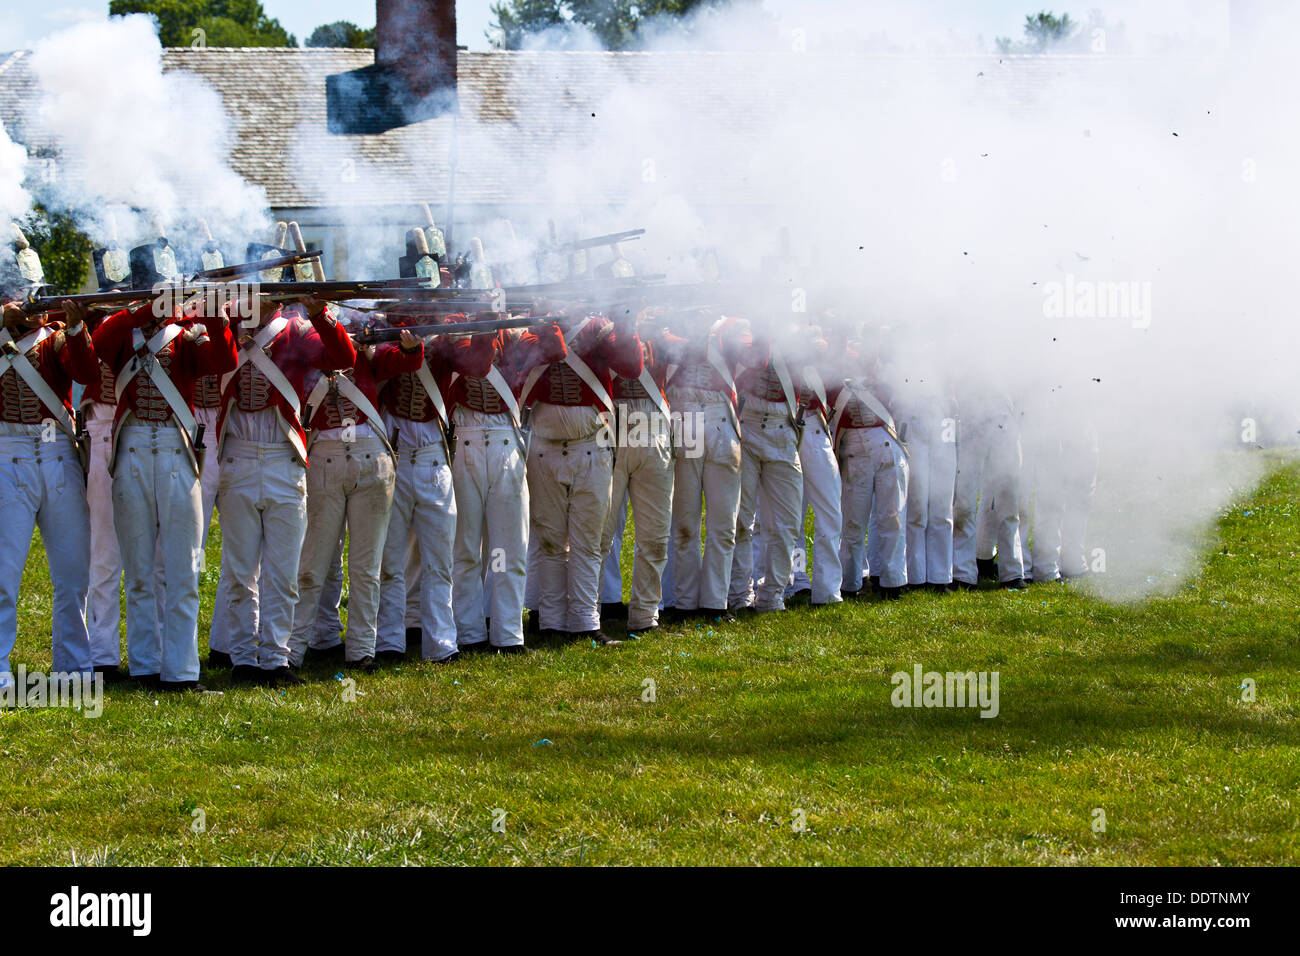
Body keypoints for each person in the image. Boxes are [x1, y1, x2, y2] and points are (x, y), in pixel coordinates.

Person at [90, 295, 237, 691]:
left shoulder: (185, 332)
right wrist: (144, 310)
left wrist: (211, 313)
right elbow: (99, 343)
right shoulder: (124, 328)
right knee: (138, 572)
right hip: (132, 446)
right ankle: (143, 666)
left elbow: (222, 362)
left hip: (176, 445)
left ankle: (182, 670)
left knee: (184, 569)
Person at [214, 294, 356, 684]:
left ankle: (276, 658)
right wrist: (218, 317)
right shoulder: (226, 329)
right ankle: (243, 659)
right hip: (237, 458)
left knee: (283, 572)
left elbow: (342, 357)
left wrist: (319, 313)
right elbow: (215, 361)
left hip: (283, 458)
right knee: (240, 571)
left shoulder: (296, 332)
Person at [287, 320, 422, 672]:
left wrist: (409, 347)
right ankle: (290, 653)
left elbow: (404, 362)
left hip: (369, 455)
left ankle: (362, 650)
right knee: (313, 567)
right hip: (325, 456)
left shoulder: (366, 345)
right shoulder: (299, 340)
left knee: (366, 568)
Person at [524, 310, 642, 644]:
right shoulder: (533, 329)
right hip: (545, 450)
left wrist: (625, 323)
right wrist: (549, 319)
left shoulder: (598, 328)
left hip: (592, 446)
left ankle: (586, 621)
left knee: (588, 542)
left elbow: (632, 368)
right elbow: (549, 352)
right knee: (549, 540)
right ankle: (550, 620)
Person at [0, 299, 98, 690]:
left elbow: (87, 372)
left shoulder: (56, 338)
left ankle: (74, 667)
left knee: (73, 573)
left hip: (57, 451)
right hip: (8, 454)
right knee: (4, 573)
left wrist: (76, 329)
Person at [450, 319, 564, 652]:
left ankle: (508, 634)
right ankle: (469, 632)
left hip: (505, 439)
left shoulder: (516, 334)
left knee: (508, 548)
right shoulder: (454, 332)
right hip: (466, 439)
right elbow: (477, 363)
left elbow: (556, 351)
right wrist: (484, 321)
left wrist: (546, 318)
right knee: (467, 549)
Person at [376, 311, 473, 663]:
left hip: (434, 458)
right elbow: (382, 367)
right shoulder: (382, 334)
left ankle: (442, 644)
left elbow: (476, 362)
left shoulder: (446, 335)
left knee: (440, 561)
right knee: (392, 559)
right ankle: (388, 641)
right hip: (395, 457)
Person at [663, 313, 757, 623]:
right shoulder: (666, 331)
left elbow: (757, 355)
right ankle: (686, 601)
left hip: (720, 424)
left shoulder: (728, 330)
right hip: (685, 423)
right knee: (685, 524)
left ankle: (716, 602)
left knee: (723, 525)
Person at [597, 310, 675, 635]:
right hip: (612, 429)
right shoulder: (600, 328)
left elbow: (692, 348)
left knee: (655, 538)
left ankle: (645, 616)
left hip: (654, 428)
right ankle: (588, 616)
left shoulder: (662, 327)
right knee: (599, 535)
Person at [728, 328, 803, 615]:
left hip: (783, 428)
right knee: (741, 520)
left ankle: (773, 594)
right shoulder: (742, 332)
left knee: (788, 524)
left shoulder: (796, 336)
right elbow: (753, 358)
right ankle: (740, 595)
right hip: (747, 426)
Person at [831, 336, 909, 600]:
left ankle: (892, 582)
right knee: (853, 523)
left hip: (885, 443)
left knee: (892, 517)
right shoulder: (834, 376)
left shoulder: (888, 374)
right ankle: (850, 583)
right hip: (853, 448)